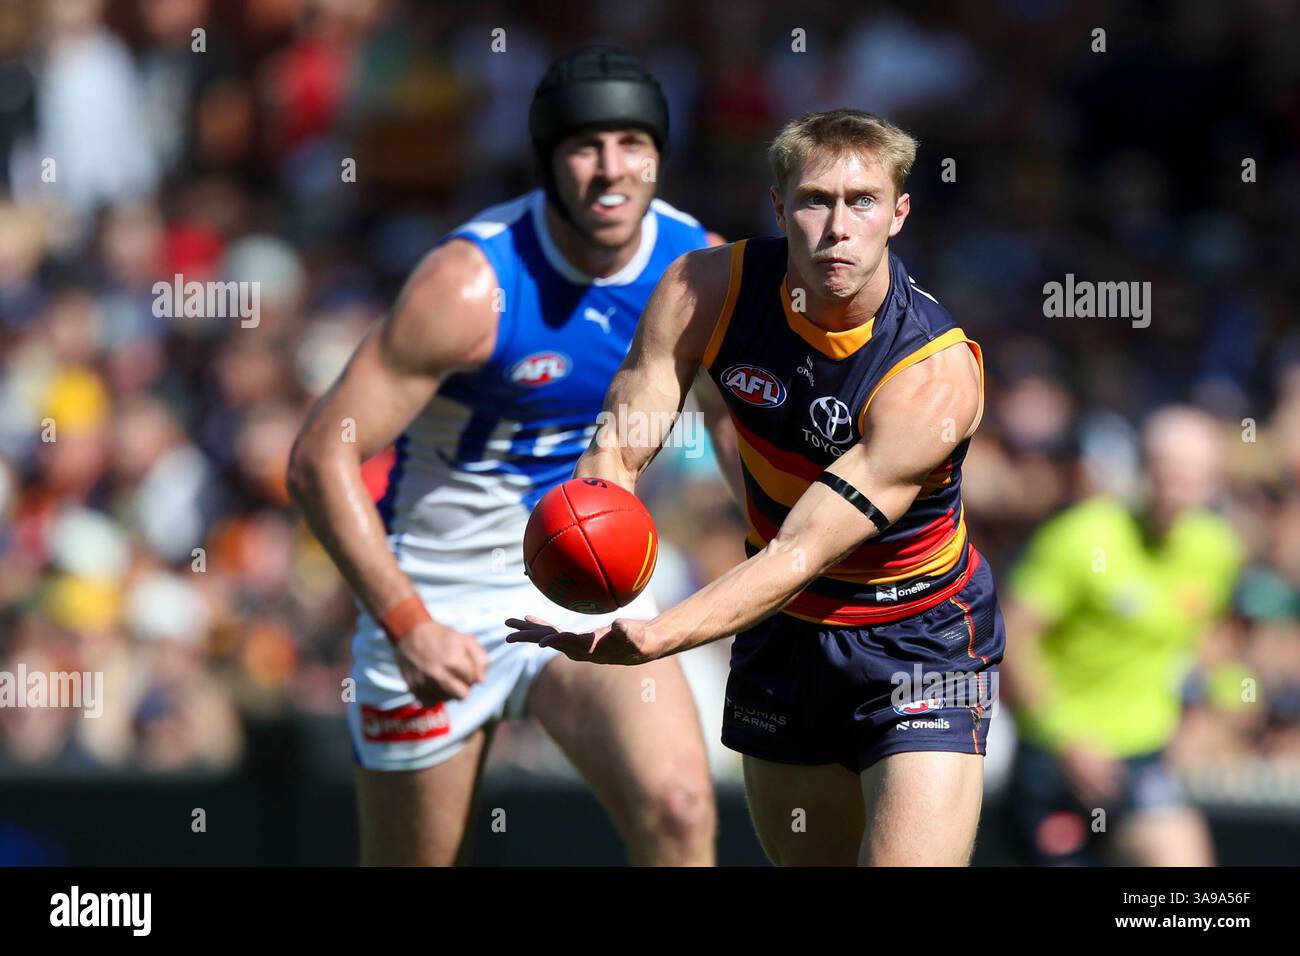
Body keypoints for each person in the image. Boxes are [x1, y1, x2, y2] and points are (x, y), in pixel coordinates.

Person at [507, 108, 1005, 866]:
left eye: (863, 201)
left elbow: (800, 550)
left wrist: (659, 635)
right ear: (778, 207)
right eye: (814, 200)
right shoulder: (705, 288)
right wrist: (590, 537)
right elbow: (619, 446)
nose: (837, 226)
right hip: (786, 637)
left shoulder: (932, 377)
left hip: (924, 640)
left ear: (899, 213)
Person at [288, 46, 721, 866]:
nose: (610, 168)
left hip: (593, 578)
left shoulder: (698, 268)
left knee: (680, 806)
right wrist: (409, 624)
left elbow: (735, 431)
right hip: (440, 591)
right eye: (583, 147)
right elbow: (319, 458)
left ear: (661, 155)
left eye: (633, 144)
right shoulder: (468, 285)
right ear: (548, 163)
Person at [1000, 406, 1242, 866]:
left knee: (1180, 856)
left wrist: (1215, 710)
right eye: (1168, 467)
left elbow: (1211, 636)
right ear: (1144, 467)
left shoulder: (1215, 549)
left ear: (1214, 480)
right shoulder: (1084, 537)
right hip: (1056, 754)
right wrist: (1064, 735)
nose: (1179, 484)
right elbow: (1014, 634)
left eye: (1194, 473)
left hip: (1143, 753)